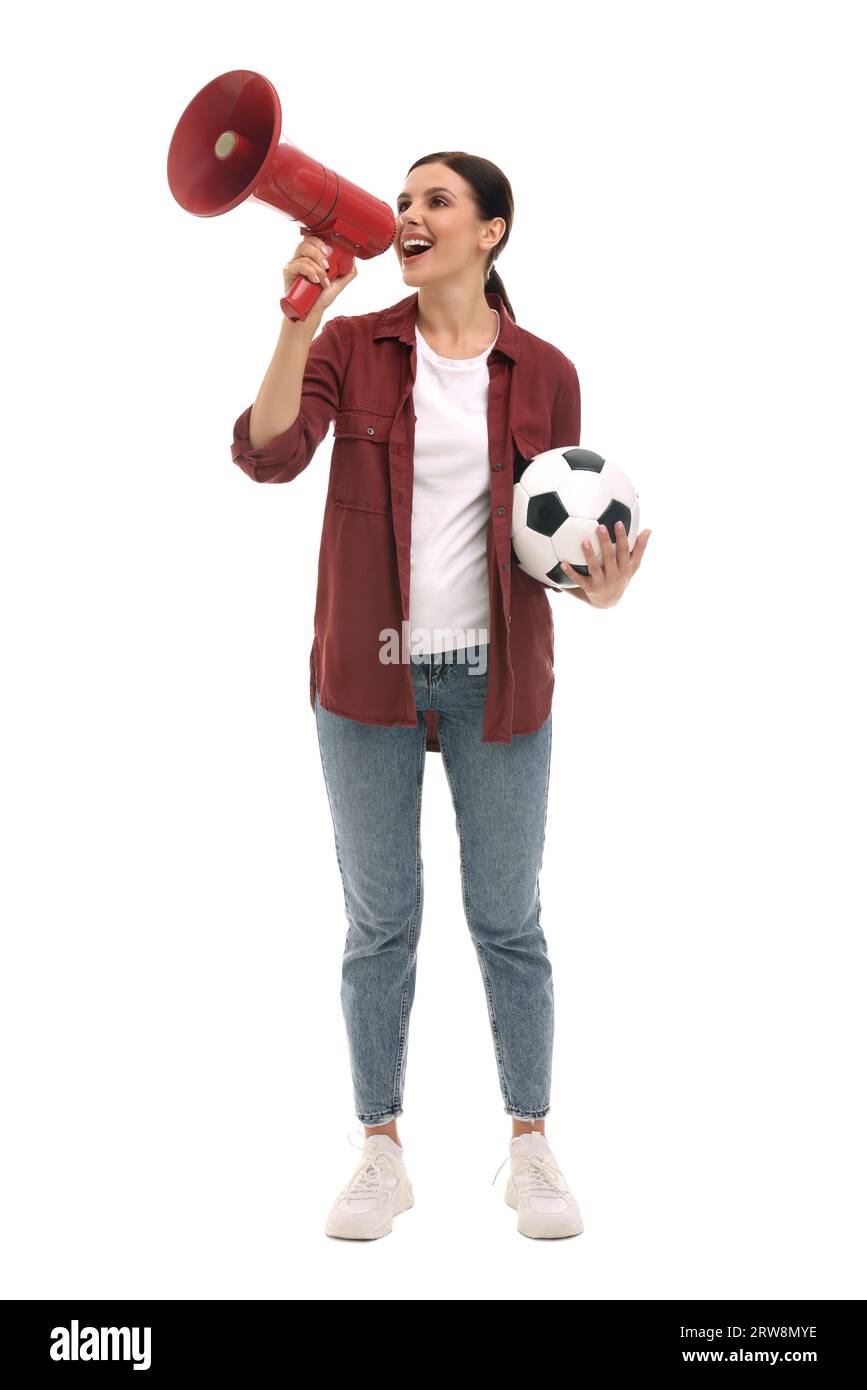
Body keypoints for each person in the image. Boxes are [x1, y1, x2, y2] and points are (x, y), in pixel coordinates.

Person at [231, 152, 651, 1240]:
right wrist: (297, 314)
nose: (409, 215)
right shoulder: (349, 347)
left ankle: (531, 1146)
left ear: (491, 233)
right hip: (365, 675)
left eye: (436, 202)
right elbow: (269, 451)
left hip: (500, 680)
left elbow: (553, 542)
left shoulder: (549, 372)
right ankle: (381, 1150)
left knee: (509, 919)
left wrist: (597, 594)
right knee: (381, 924)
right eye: (403, 201)